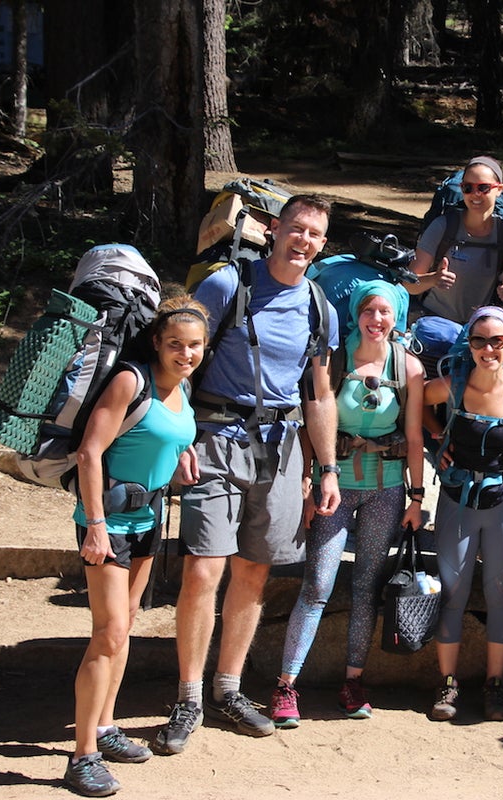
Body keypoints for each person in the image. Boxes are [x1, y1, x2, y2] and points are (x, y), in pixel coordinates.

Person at [150, 195, 341, 755]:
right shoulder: (227, 285)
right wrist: (180, 436)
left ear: (322, 245)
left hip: (280, 450)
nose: (302, 240)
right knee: (204, 570)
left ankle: (228, 689)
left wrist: (325, 468)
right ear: (274, 229)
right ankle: (188, 697)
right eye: (296, 228)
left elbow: (321, 394)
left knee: (254, 573)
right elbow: (177, 363)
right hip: (214, 440)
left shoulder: (319, 307)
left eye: (314, 234)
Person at [64, 298, 208, 797]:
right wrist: (96, 526)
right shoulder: (131, 378)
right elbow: (90, 451)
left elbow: (164, 433)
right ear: (157, 343)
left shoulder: (180, 389)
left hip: (149, 518)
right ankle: (81, 756)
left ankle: (104, 728)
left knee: (123, 629)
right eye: (175, 345)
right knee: (109, 632)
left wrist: (181, 456)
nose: (185, 354)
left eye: (194, 346)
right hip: (109, 520)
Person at [271, 280, 425, 725]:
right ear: (357, 313)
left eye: (386, 313)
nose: (376, 320)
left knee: (366, 587)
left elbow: (414, 437)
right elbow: (307, 423)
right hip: (333, 484)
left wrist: (416, 496)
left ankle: (353, 681)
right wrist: (306, 479)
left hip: (388, 486)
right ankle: (286, 685)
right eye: (369, 311)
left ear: (397, 319)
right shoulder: (333, 360)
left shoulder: (408, 367)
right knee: (317, 584)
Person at [421, 306, 503, 722]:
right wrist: (436, 438)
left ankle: (495, 684)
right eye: (480, 341)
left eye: (497, 341)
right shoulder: (453, 385)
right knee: (452, 590)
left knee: (500, 592)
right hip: (458, 497)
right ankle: (447, 684)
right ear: (469, 345)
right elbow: (420, 399)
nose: (488, 349)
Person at [407, 155, 503, 322]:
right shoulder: (442, 226)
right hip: (434, 324)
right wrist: (433, 279)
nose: (475, 194)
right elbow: (409, 285)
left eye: (483, 188)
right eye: (468, 187)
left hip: (480, 332)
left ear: (499, 189)